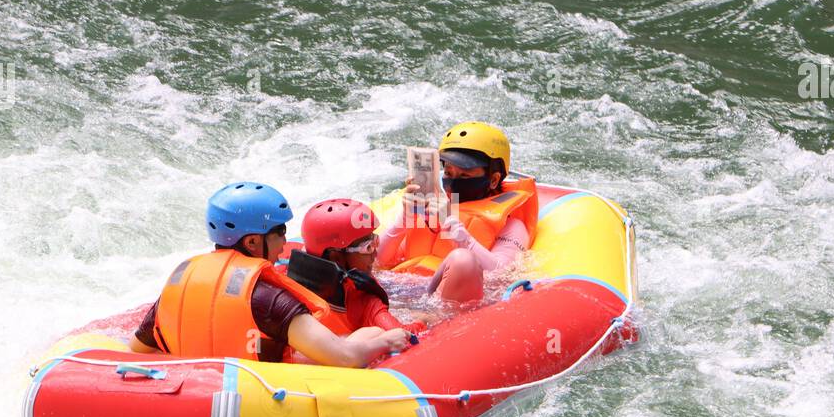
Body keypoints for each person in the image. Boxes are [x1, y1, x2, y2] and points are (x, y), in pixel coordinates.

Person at [129, 182, 410, 367]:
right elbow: (344, 357)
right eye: (279, 234)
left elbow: (136, 350)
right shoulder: (266, 296)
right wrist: (385, 341)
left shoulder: (182, 281)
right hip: (259, 396)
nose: (284, 244)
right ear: (252, 242)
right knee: (371, 334)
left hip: (197, 387)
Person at [376, 121, 538, 303]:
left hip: (448, 307)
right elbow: (377, 262)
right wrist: (404, 220)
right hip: (400, 294)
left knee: (463, 260)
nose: (453, 182)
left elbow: (502, 277)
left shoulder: (511, 225)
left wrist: (464, 239)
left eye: (465, 176)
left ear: (493, 180)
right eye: (448, 173)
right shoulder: (429, 209)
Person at [299, 199, 424, 333]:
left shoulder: (293, 282)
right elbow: (404, 334)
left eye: (375, 242)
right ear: (336, 257)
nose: (375, 253)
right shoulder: (365, 301)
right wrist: (424, 321)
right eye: (368, 247)